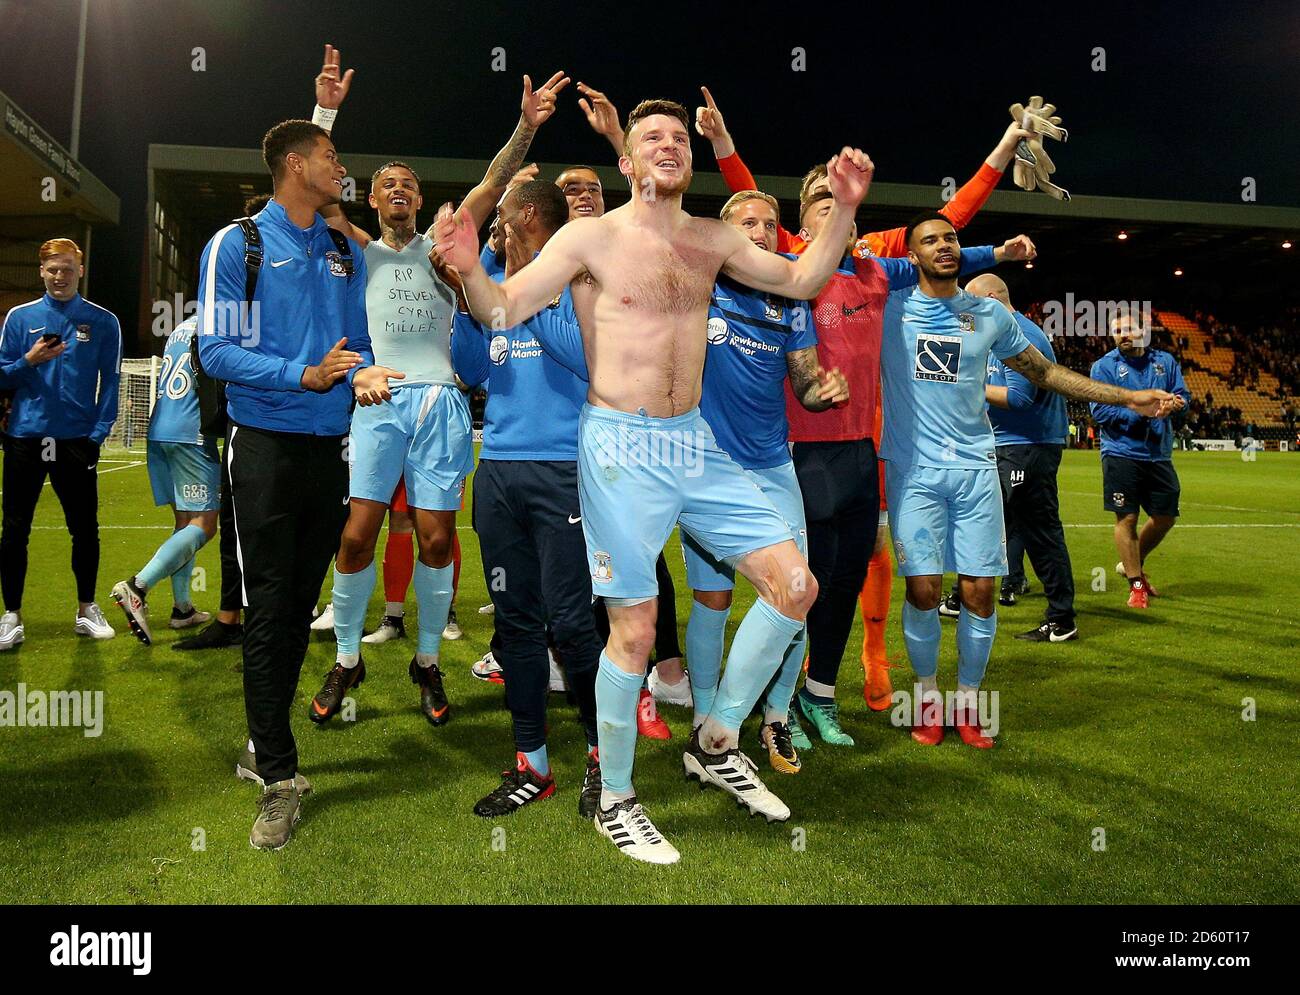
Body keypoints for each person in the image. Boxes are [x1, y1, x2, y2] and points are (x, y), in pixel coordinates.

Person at [438, 96, 873, 864]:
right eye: (652, 139)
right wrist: (472, 266)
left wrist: (842, 210)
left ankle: (714, 737)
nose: (669, 145)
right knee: (633, 633)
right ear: (629, 162)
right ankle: (617, 797)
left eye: (679, 137)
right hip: (619, 447)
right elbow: (502, 308)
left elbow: (805, 277)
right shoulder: (589, 237)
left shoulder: (710, 239)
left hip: (695, 442)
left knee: (795, 587)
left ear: (688, 159)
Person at [693, 87, 1032, 727]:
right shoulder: (785, 262)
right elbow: (751, 209)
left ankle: (821, 694)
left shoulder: (876, 267)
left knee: (846, 580)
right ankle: (776, 704)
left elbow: (948, 231)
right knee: (801, 583)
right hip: (799, 452)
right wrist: (722, 145)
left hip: (863, 453)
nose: (834, 210)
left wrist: (999, 234)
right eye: (820, 201)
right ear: (804, 218)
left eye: (840, 200)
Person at [302, 47, 569, 726]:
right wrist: (326, 110)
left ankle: (426, 660)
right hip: (378, 398)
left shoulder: (446, 245)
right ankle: (346, 655)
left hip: (443, 402)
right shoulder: (354, 249)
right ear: (370, 196)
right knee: (357, 536)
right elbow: (305, 181)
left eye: (408, 185)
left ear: (420, 201)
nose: (398, 191)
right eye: (386, 183)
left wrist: (527, 124)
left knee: (437, 540)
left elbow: (494, 176)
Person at [881, 214, 1181, 749]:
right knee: (924, 591)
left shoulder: (988, 315)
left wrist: (1126, 396)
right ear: (913, 255)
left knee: (979, 593)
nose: (945, 246)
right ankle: (927, 698)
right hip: (915, 470)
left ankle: (968, 705)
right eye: (930, 240)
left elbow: (1043, 374)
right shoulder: (891, 308)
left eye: (951, 238)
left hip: (977, 468)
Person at [196, 116, 393, 850]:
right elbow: (216, 349)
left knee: (297, 603)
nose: (340, 167)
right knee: (271, 604)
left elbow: (359, 342)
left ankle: (260, 743)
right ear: (293, 164)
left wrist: (364, 369)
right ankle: (277, 776)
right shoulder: (241, 243)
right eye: (331, 155)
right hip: (264, 447)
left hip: (327, 449)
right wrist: (298, 375)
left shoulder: (341, 249)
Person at [452, 178, 605, 819]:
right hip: (500, 476)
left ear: (531, 218)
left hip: (564, 473)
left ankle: (605, 760)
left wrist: (531, 289)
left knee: (572, 623)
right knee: (515, 621)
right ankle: (531, 764)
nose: (499, 231)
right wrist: (481, 275)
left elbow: (586, 362)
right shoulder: (495, 288)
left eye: (506, 222)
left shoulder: (577, 283)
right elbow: (469, 367)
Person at [0, 237, 121, 648]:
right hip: (25, 438)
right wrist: (28, 361)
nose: (60, 275)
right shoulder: (19, 318)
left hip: (75, 441)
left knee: (84, 529)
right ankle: (11, 614)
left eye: (68, 267)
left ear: (80, 270)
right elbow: (3, 377)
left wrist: (97, 435)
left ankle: (86, 609)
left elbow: (112, 383)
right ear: (41, 271)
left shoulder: (103, 321)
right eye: (53, 268)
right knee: (15, 529)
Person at [173, 193, 276, 653]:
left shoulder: (305, 266)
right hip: (244, 417)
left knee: (274, 527)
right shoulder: (238, 259)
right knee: (235, 523)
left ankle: (267, 619)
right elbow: (215, 351)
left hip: (293, 422)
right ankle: (232, 617)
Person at [970, 273, 1077, 642]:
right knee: (998, 524)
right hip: (1013, 445)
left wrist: (970, 387)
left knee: (1039, 530)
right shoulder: (999, 334)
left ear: (989, 298)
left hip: (1027, 446)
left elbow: (1018, 398)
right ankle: (962, 597)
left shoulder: (1020, 335)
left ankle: (1062, 619)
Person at [111, 315, 217, 643]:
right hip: (190, 433)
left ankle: (183, 609)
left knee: (185, 524)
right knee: (204, 524)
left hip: (159, 430)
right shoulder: (220, 323)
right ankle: (138, 586)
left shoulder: (183, 326)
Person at [1090, 310, 1190, 609]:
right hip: (1121, 452)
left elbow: (1183, 396)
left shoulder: (1165, 362)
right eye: (1117, 330)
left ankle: (1130, 563)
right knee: (1127, 517)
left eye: (1128, 328)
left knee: (1166, 516)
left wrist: (1176, 404)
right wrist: (1139, 409)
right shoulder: (1104, 367)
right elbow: (1100, 412)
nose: (1122, 334)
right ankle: (1137, 584)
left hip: (1158, 453)